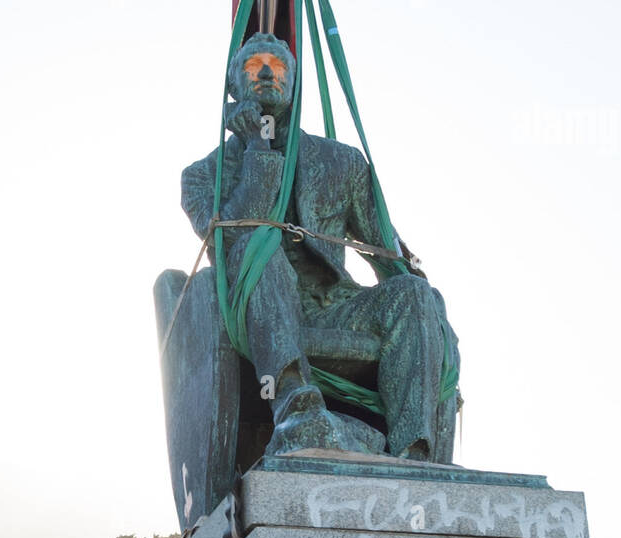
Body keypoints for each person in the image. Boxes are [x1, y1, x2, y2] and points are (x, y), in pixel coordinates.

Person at [181, 32, 459, 461]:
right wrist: (259, 145)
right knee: (259, 241)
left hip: (334, 306)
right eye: (254, 66)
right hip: (254, 307)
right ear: (234, 88)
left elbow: (385, 252)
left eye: (279, 66)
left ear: (294, 84)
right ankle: (296, 404)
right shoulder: (201, 177)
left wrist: (431, 312)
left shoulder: (343, 162)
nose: (269, 72)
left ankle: (414, 452)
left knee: (413, 295)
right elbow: (236, 239)